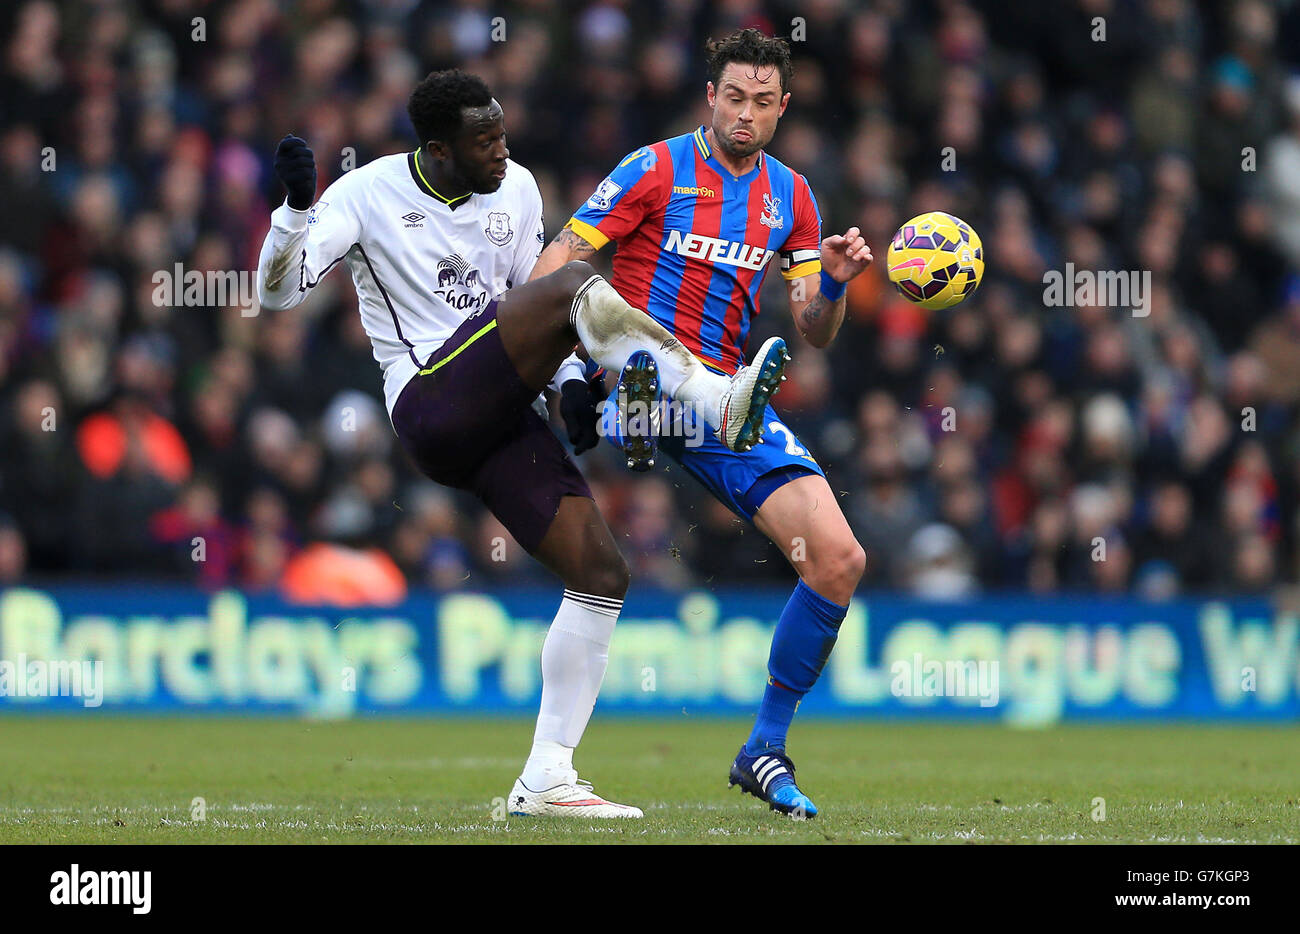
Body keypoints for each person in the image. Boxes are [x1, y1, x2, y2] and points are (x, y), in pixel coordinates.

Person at [256, 69, 783, 819]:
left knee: (602, 570)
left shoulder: (519, 190)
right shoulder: (365, 194)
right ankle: (712, 396)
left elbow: (522, 303)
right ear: (438, 151)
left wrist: (567, 383)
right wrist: (294, 214)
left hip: (497, 406)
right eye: (484, 141)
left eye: (503, 132)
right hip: (430, 399)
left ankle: (546, 778)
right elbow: (276, 295)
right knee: (573, 284)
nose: (502, 149)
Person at [532, 30, 872, 818]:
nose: (745, 115)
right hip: (634, 359)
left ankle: (763, 749)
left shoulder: (792, 196)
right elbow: (559, 265)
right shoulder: (652, 169)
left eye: (762, 102)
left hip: (727, 395)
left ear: (783, 107)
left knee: (838, 560)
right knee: (645, 372)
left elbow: (814, 327)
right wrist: (565, 371)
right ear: (708, 97)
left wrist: (841, 285)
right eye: (733, 98)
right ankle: (633, 409)